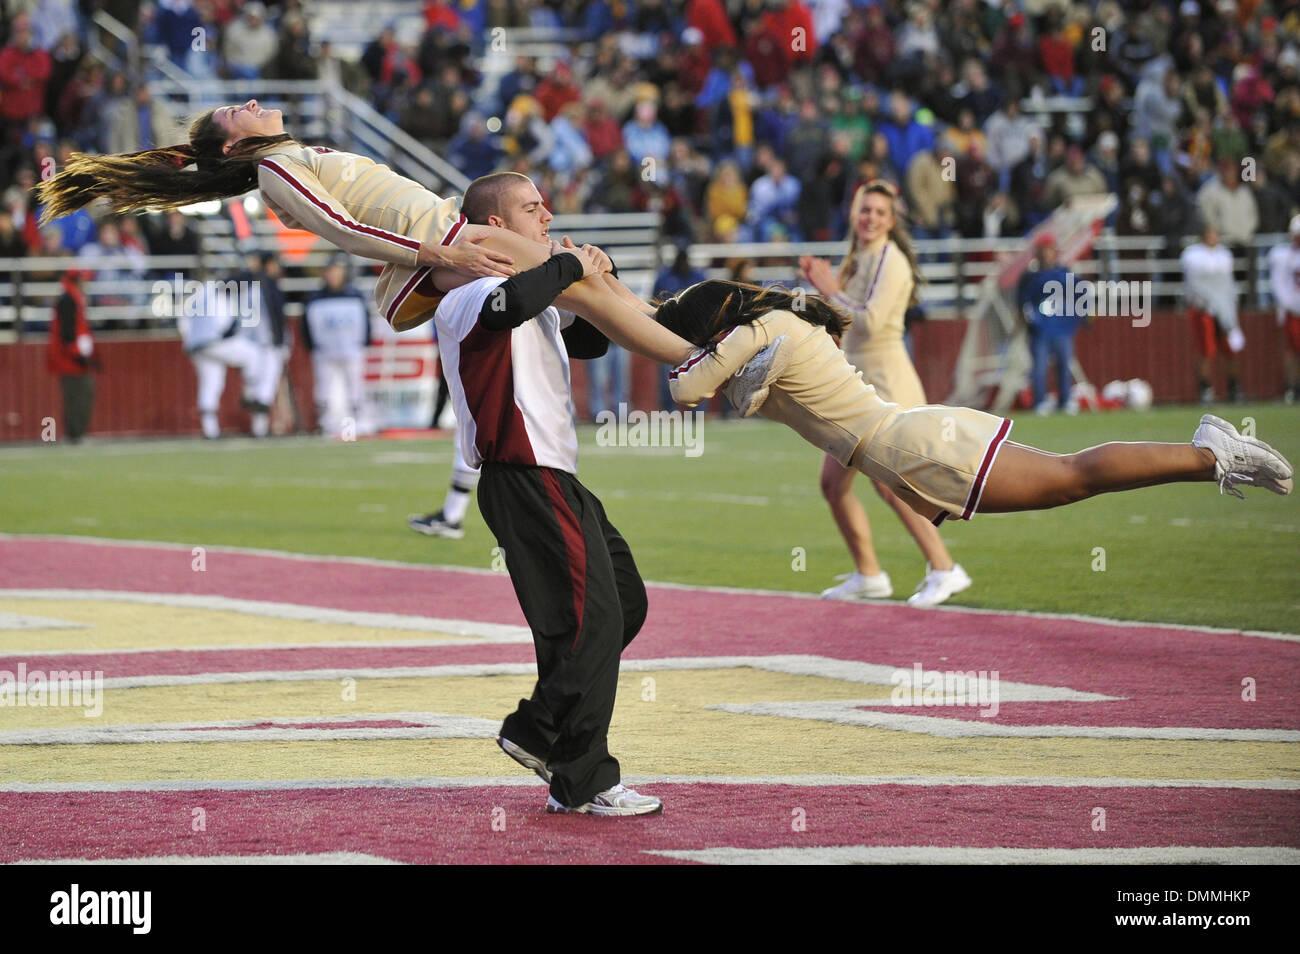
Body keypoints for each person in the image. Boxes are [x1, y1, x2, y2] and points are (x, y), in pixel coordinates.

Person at [35, 99, 694, 369]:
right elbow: (339, 227)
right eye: (243, 109)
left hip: (437, 243)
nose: (258, 103)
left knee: (588, 282)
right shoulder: (270, 164)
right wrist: (434, 251)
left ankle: (684, 338)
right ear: (240, 140)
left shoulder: (285, 154)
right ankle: (692, 356)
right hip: (431, 247)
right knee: (581, 274)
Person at [658, 281, 1291, 542]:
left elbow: (686, 389)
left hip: (914, 448)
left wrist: (698, 344)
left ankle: (1210, 455)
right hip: (912, 444)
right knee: (1071, 481)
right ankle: (1208, 456)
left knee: (1074, 478)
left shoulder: (763, 327)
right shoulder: (777, 324)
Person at [433, 171, 660, 816]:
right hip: (522, 474)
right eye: (532, 209)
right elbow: (512, 304)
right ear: (493, 228)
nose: (548, 215)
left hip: (556, 475)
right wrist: (566, 264)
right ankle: (550, 743)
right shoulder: (470, 293)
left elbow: (587, 335)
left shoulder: (530, 291)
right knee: (591, 622)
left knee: (622, 606)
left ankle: (569, 765)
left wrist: (600, 283)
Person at [798, 180, 971, 608]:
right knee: (833, 485)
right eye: (864, 210)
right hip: (855, 386)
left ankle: (945, 568)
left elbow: (870, 323)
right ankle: (869, 574)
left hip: (887, 384)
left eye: (879, 212)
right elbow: (841, 321)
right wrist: (818, 293)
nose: (870, 218)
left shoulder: (890, 260)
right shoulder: (858, 259)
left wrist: (829, 288)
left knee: (892, 485)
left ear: (892, 221)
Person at [302, 255, 372, 437]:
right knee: (324, 390)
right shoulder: (315, 297)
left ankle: (358, 423)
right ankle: (327, 424)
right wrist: (313, 346)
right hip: (325, 350)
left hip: (351, 348)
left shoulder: (354, 295)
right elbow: (306, 325)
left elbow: (364, 322)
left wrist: (363, 343)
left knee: (355, 387)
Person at [1018, 235, 1088, 415]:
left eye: (1049, 250)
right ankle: (1040, 401)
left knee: (1064, 366)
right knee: (1039, 368)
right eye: (1043, 250)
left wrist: (1083, 316)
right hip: (1040, 330)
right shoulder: (1030, 277)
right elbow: (1022, 302)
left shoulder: (1065, 274)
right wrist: (1030, 322)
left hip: (1062, 328)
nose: (1046, 255)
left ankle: (1064, 401)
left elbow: (1081, 295)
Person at [1181, 225, 1245, 404]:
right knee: (1205, 351)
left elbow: (1227, 284)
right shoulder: (1192, 255)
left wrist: (1228, 307)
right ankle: (1205, 389)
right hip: (1204, 309)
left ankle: (1234, 387)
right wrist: (1210, 303)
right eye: (1210, 234)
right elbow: (1194, 285)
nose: (1213, 237)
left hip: (1224, 310)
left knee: (1230, 350)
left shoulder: (1224, 255)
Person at [46, 268, 97, 443]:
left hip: (71, 356)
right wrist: (78, 356)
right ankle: (75, 435)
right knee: (79, 395)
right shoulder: (69, 300)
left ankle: (75, 434)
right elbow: (67, 333)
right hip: (69, 358)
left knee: (78, 395)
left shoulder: (71, 298)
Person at [1267, 214, 1300, 405]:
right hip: (1292, 310)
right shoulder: (1283, 255)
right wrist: (1288, 305)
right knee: (1291, 351)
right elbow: (1278, 285)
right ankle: (1291, 388)